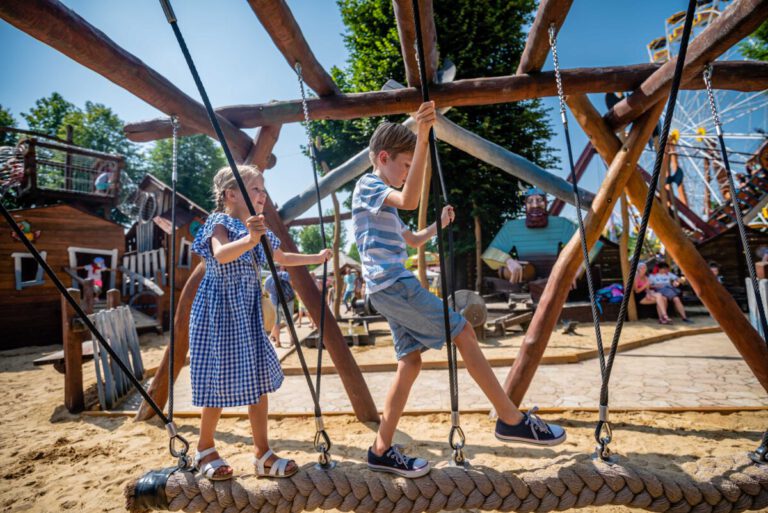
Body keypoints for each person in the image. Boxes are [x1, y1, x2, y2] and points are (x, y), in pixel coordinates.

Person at [352, 102, 565, 478]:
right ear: (383, 158)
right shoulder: (370, 185)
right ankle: (509, 419)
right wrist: (421, 140)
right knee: (464, 331)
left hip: (389, 286)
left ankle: (381, 449)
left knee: (410, 363)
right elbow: (411, 199)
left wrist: (437, 226)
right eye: (403, 165)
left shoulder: (381, 200)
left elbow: (413, 240)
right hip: (393, 285)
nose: (406, 173)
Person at [189, 165, 331, 481]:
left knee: (257, 378)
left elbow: (281, 259)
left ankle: (262, 452)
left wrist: (314, 258)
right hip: (220, 311)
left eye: (263, 189)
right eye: (255, 189)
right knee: (218, 379)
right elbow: (222, 254)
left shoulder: (258, 228)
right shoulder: (220, 222)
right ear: (230, 194)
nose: (262, 194)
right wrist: (252, 239)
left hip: (246, 311)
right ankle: (205, 447)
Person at [265, 267, 295, 348]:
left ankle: (278, 342)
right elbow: (292, 285)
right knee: (289, 321)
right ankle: (292, 339)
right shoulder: (286, 274)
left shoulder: (268, 278)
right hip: (288, 301)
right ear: (279, 268)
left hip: (275, 303)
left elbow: (267, 290)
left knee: (276, 322)